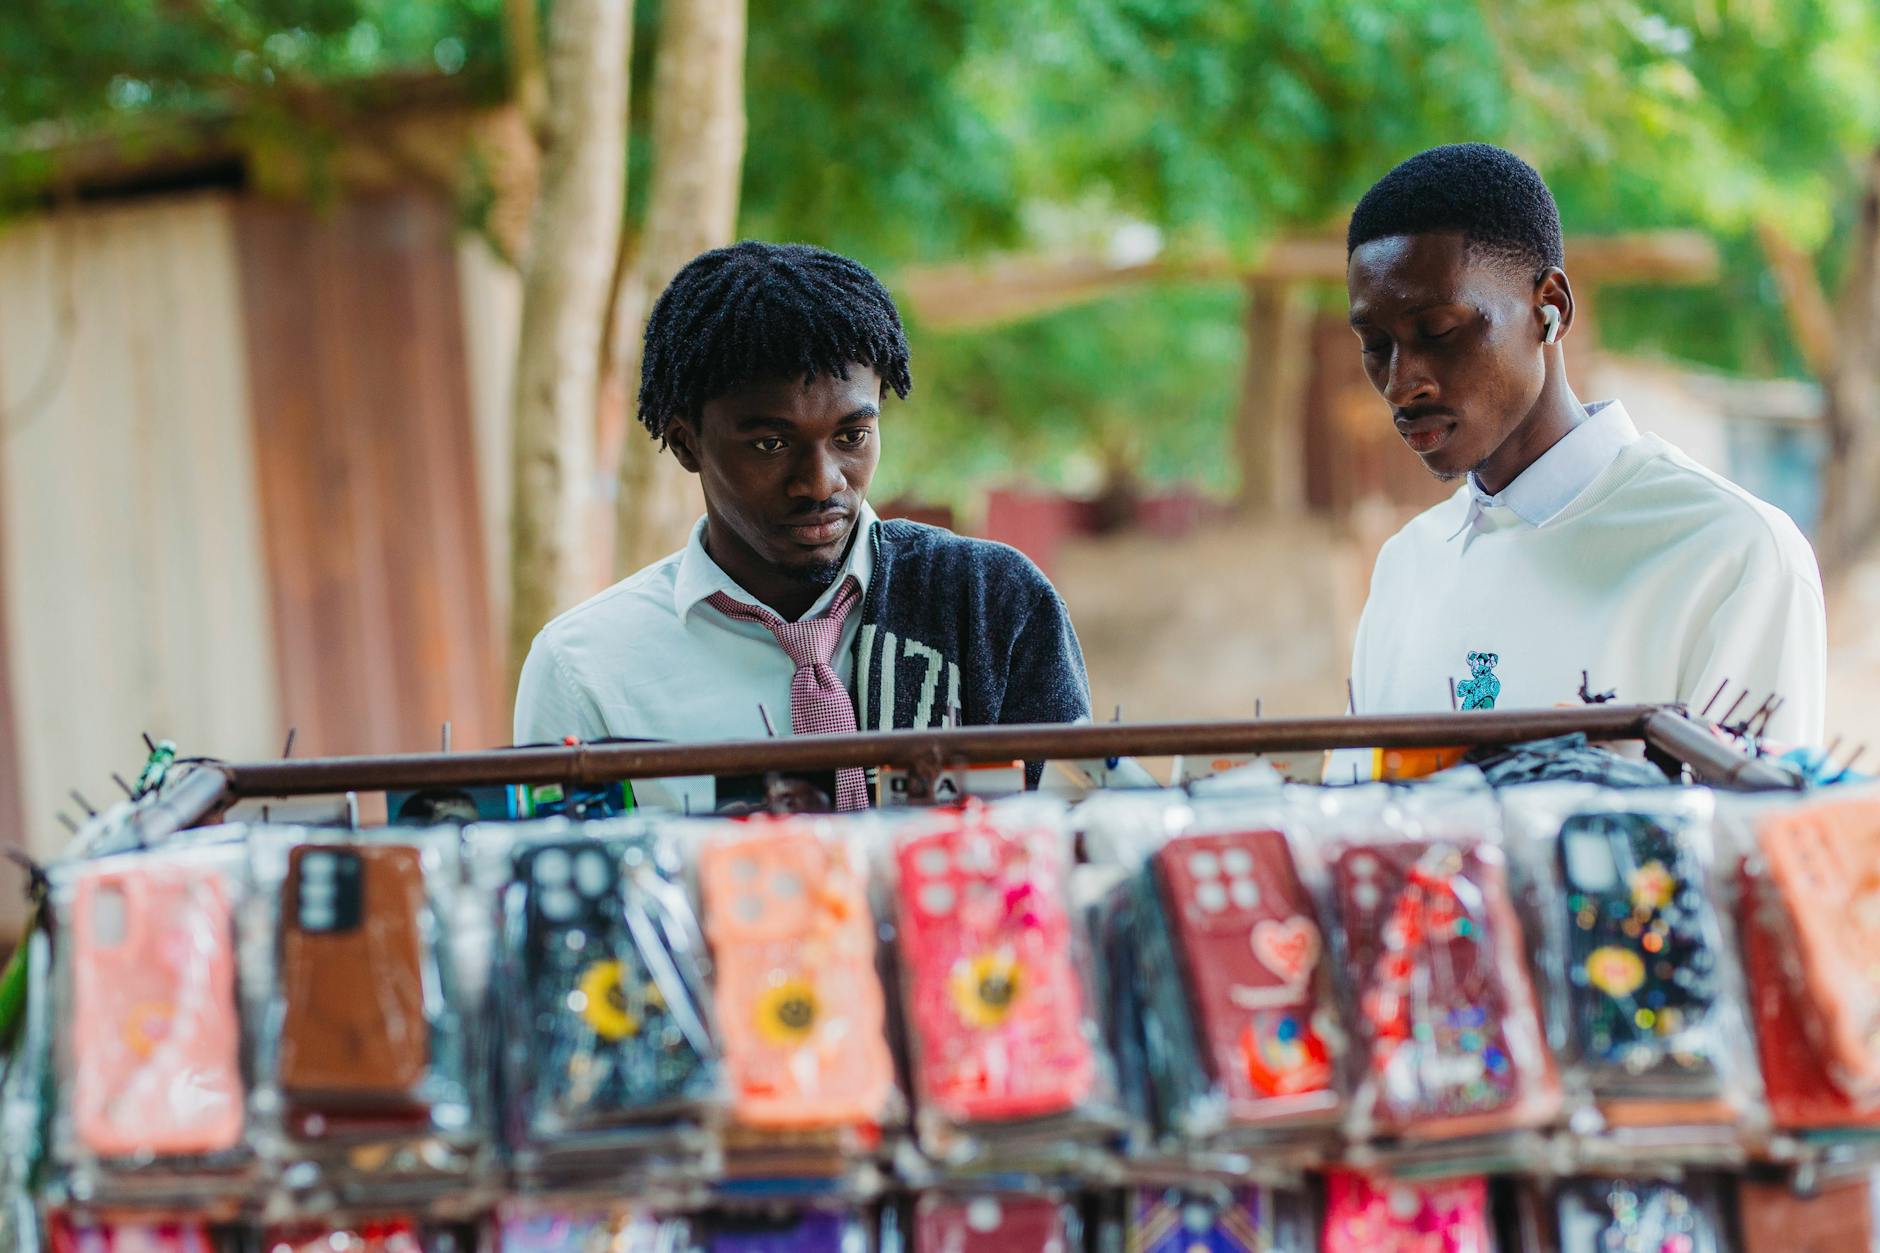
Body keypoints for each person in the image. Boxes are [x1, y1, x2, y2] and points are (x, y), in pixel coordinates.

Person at [514, 241, 1090, 810]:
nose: (820, 483)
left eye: (851, 437)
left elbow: (1078, 834)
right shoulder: (584, 668)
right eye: (771, 443)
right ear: (687, 442)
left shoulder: (989, 602)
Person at [1339, 143, 1825, 763]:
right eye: (1376, 344)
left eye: (1440, 331)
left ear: (1552, 308)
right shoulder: (1408, 565)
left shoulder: (1732, 555)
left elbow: (1755, 842)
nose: (1403, 383)